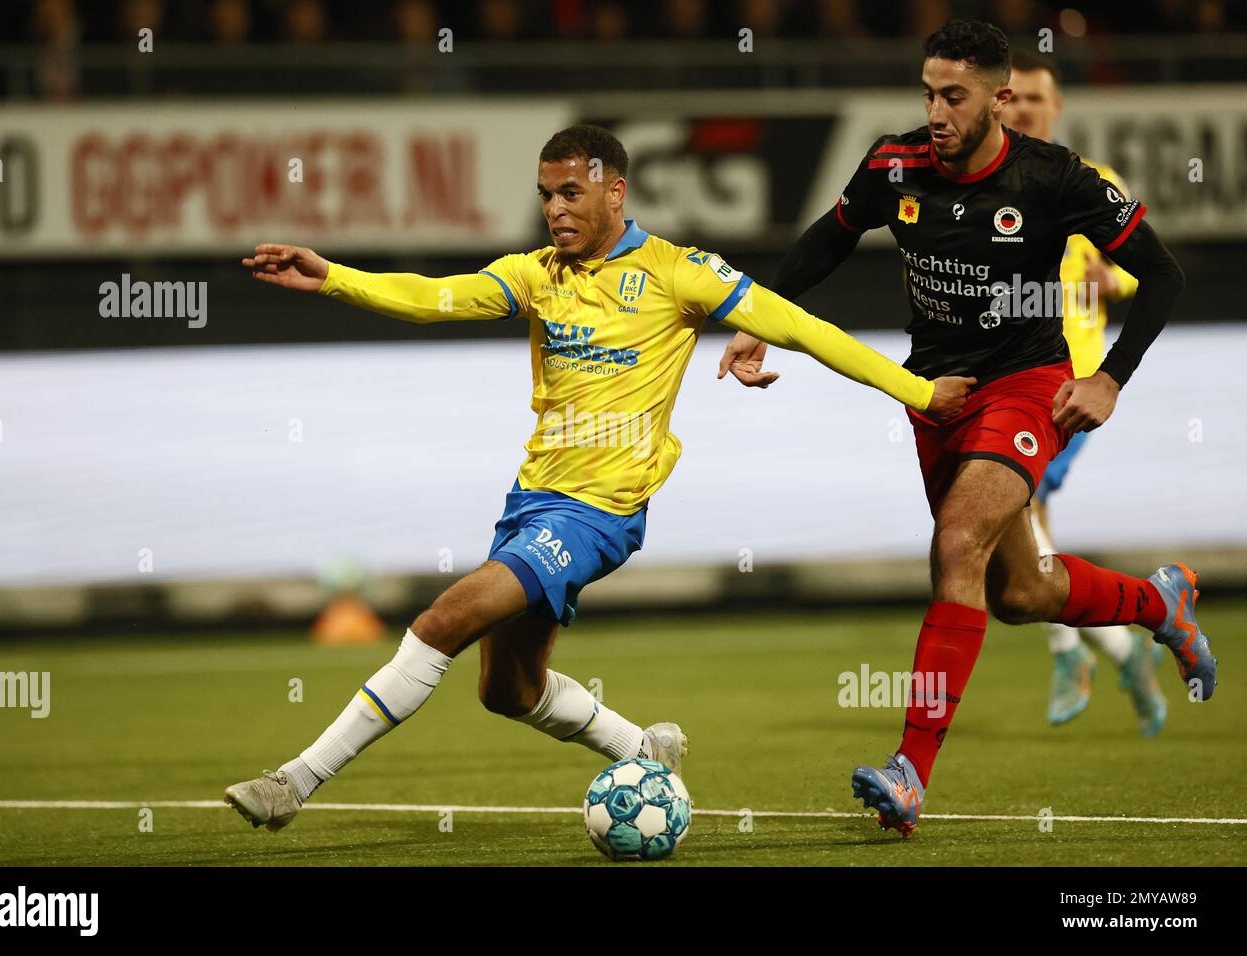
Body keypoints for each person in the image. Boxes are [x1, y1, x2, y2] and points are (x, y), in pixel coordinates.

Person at [223, 124, 973, 832]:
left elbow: (803, 327)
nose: (554, 209)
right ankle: (642, 749)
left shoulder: (678, 272)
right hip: (532, 503)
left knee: (444, 620)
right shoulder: (536, 276)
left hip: (598, 514)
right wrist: (334, 278)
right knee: (508, 690)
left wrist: (917, 391)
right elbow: (434, 298)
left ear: (615, 193)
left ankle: (295, 782)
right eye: (546, 195)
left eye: (570, 194)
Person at [719, 20, 1215, 838]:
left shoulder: (1054, 177)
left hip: (1027, 388)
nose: (937, 112)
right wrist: (759, 318)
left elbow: (1163, 273)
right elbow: (829, 240)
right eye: (928, 94)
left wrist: (1109, 378)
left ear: (1000, 98)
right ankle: (1159, 602)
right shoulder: (895, 164)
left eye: (954, 96)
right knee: (1021, 593)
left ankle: (909, 771)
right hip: (936, 396)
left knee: (956, 545)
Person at [1005, 49, 1166, 736]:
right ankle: (1126, 647)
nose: (1021, 109)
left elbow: (1142, 268)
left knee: (1015, 510)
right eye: (1011, 98)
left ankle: (1073, 651)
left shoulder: (1089, 182)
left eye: (1033, 99)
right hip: (1004, 378)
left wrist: (1114, 281)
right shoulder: (988, 183)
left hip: (1067, 384)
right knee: (1013, 530)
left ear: (1056, 107)